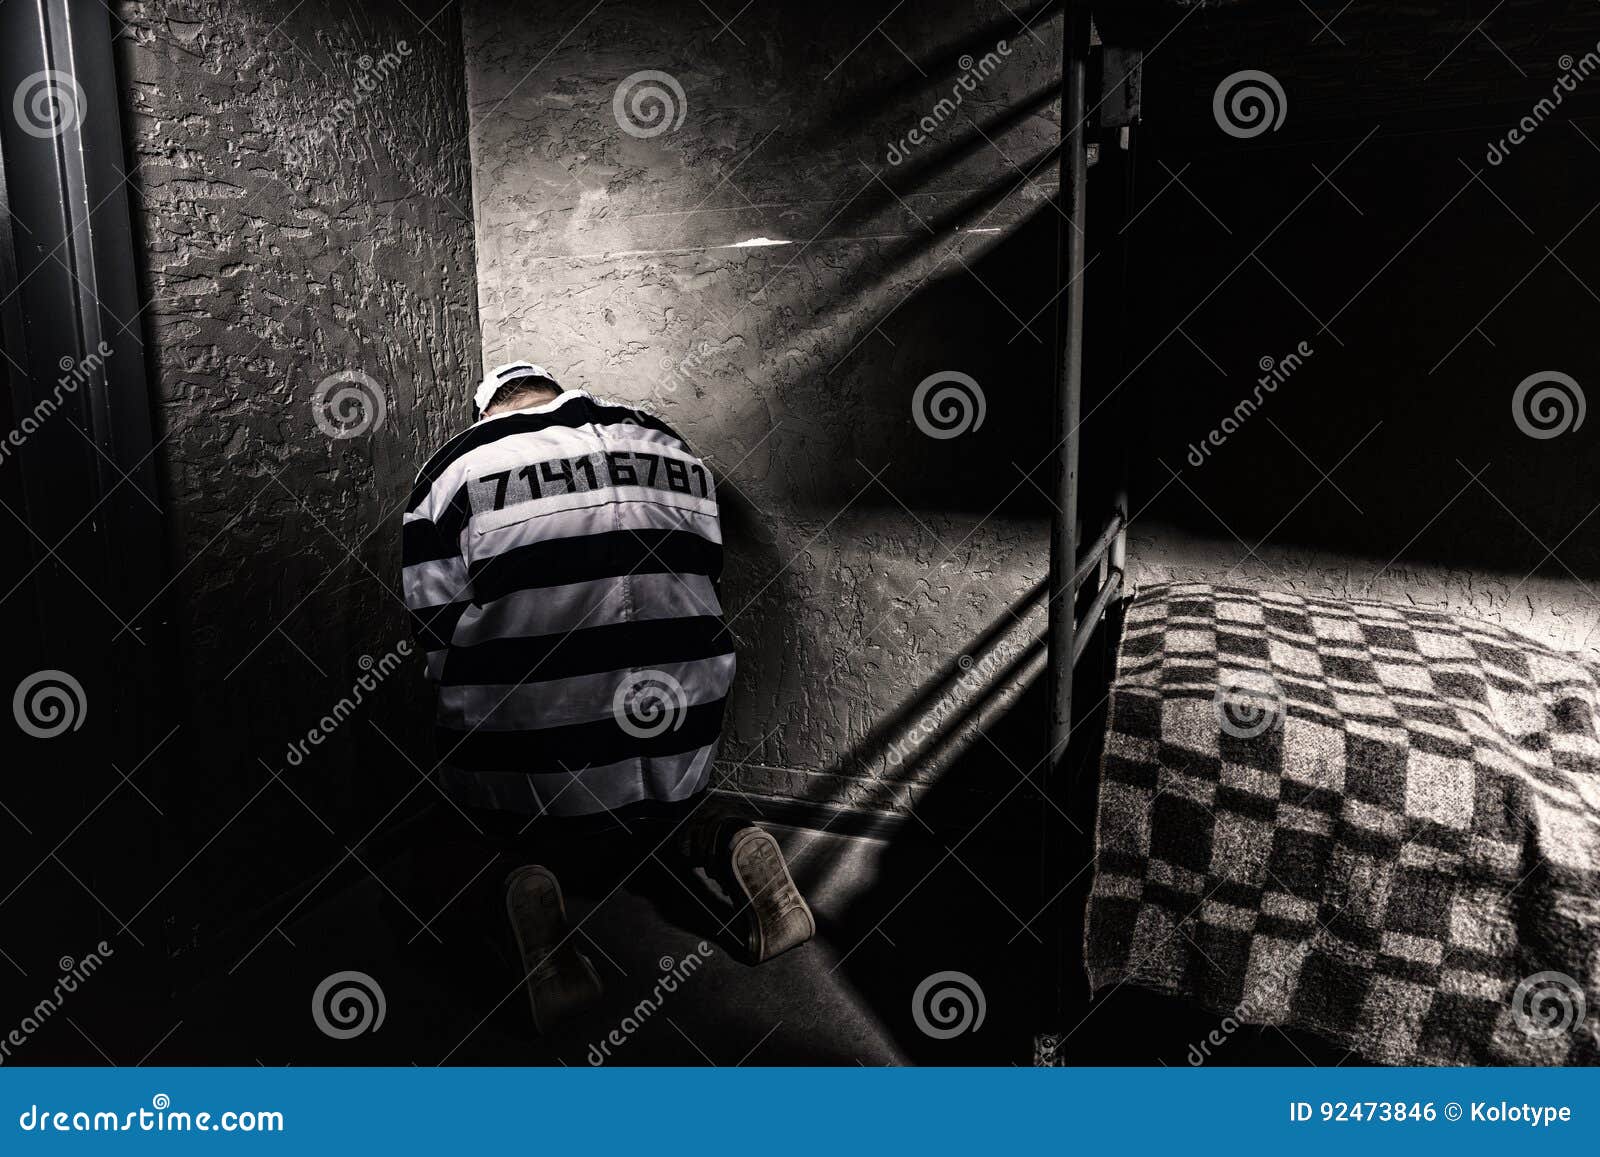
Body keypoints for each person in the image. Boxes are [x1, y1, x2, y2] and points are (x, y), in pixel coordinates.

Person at [401, 361, 814, 1033]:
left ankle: (524, 877)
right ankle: (723, 835)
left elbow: (431, 627)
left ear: (490, 412)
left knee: (477, 799)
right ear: (555, 390)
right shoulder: (666, 441)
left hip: (535, 755)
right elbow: (707, 576)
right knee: (657, 801)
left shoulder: (456, 466)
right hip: (680, 732)